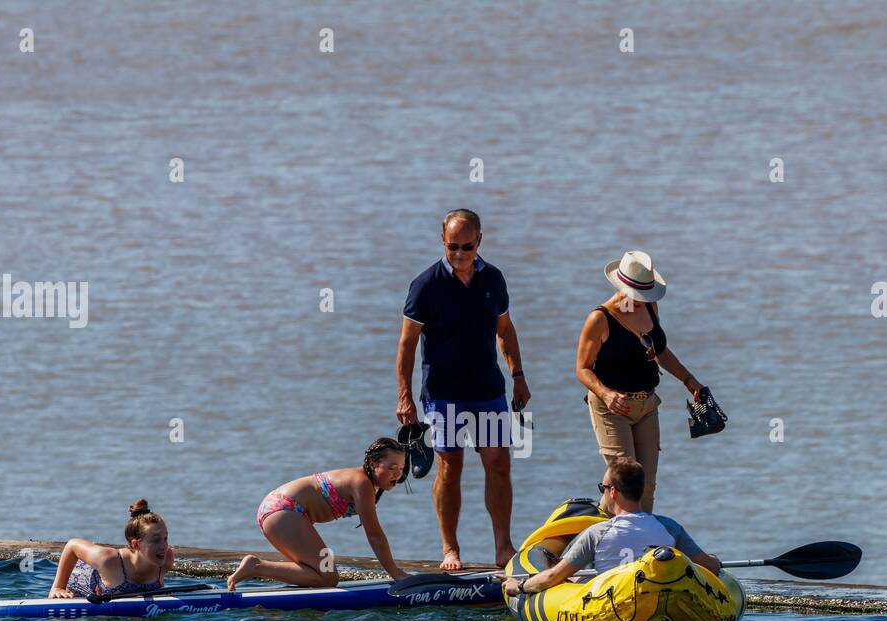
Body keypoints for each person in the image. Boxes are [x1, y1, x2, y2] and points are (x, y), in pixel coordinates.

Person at [396, 208, 530, 571]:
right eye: (453, 246)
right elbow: (407, 345)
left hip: (488, 389)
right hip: (443, 392)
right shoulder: (426, 285)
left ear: (479, 242)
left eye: (466, 246)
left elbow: (505, 330)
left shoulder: (493, 280)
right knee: (450, 466)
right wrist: (404, 396)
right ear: (443, 242)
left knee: (499, 465)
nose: (459, 254)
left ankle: (503, 547)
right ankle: (450, 549)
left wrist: (518, 375)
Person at [576, 250, 708, 513]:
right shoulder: (600, 319)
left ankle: (642, 543)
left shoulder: (650, 306)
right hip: (612, 408)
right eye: (635, 295)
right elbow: (582, 369)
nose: (639, 301)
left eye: (644, 295)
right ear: (620, 286)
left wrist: (688, 379)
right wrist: (606, 394)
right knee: (625, 483)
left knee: (645, 485)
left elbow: (659, 351)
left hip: (647, 404)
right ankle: (605, 535)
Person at [502, 457, 719, 597]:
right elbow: (711, 567)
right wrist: (715, 559)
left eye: (603, 488)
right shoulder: (670, 527)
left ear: (613, 492)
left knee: (573, 577)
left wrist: (518, 587)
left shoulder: (596, 533)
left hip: (613, 606)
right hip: (661, 599)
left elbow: (552, 578)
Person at [227, 438, 409, 589]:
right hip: (284, 511)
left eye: (401, 469)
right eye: (392, 468)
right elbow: (374, 534)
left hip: (281, 512)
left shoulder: (366, 483)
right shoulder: (362, 483)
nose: (397, 475)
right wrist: (395, 573)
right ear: (373, 463)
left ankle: (260, 569)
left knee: (320, 572)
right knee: (329, 577)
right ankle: (256, 567)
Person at [49, 499, 175, 598]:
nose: (163, 546)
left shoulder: (166, 560)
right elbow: (72, 545)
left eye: (165, 538)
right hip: (82, 576)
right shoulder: (108, 560)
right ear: (135, 545)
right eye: (155, 539)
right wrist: (58, 587)